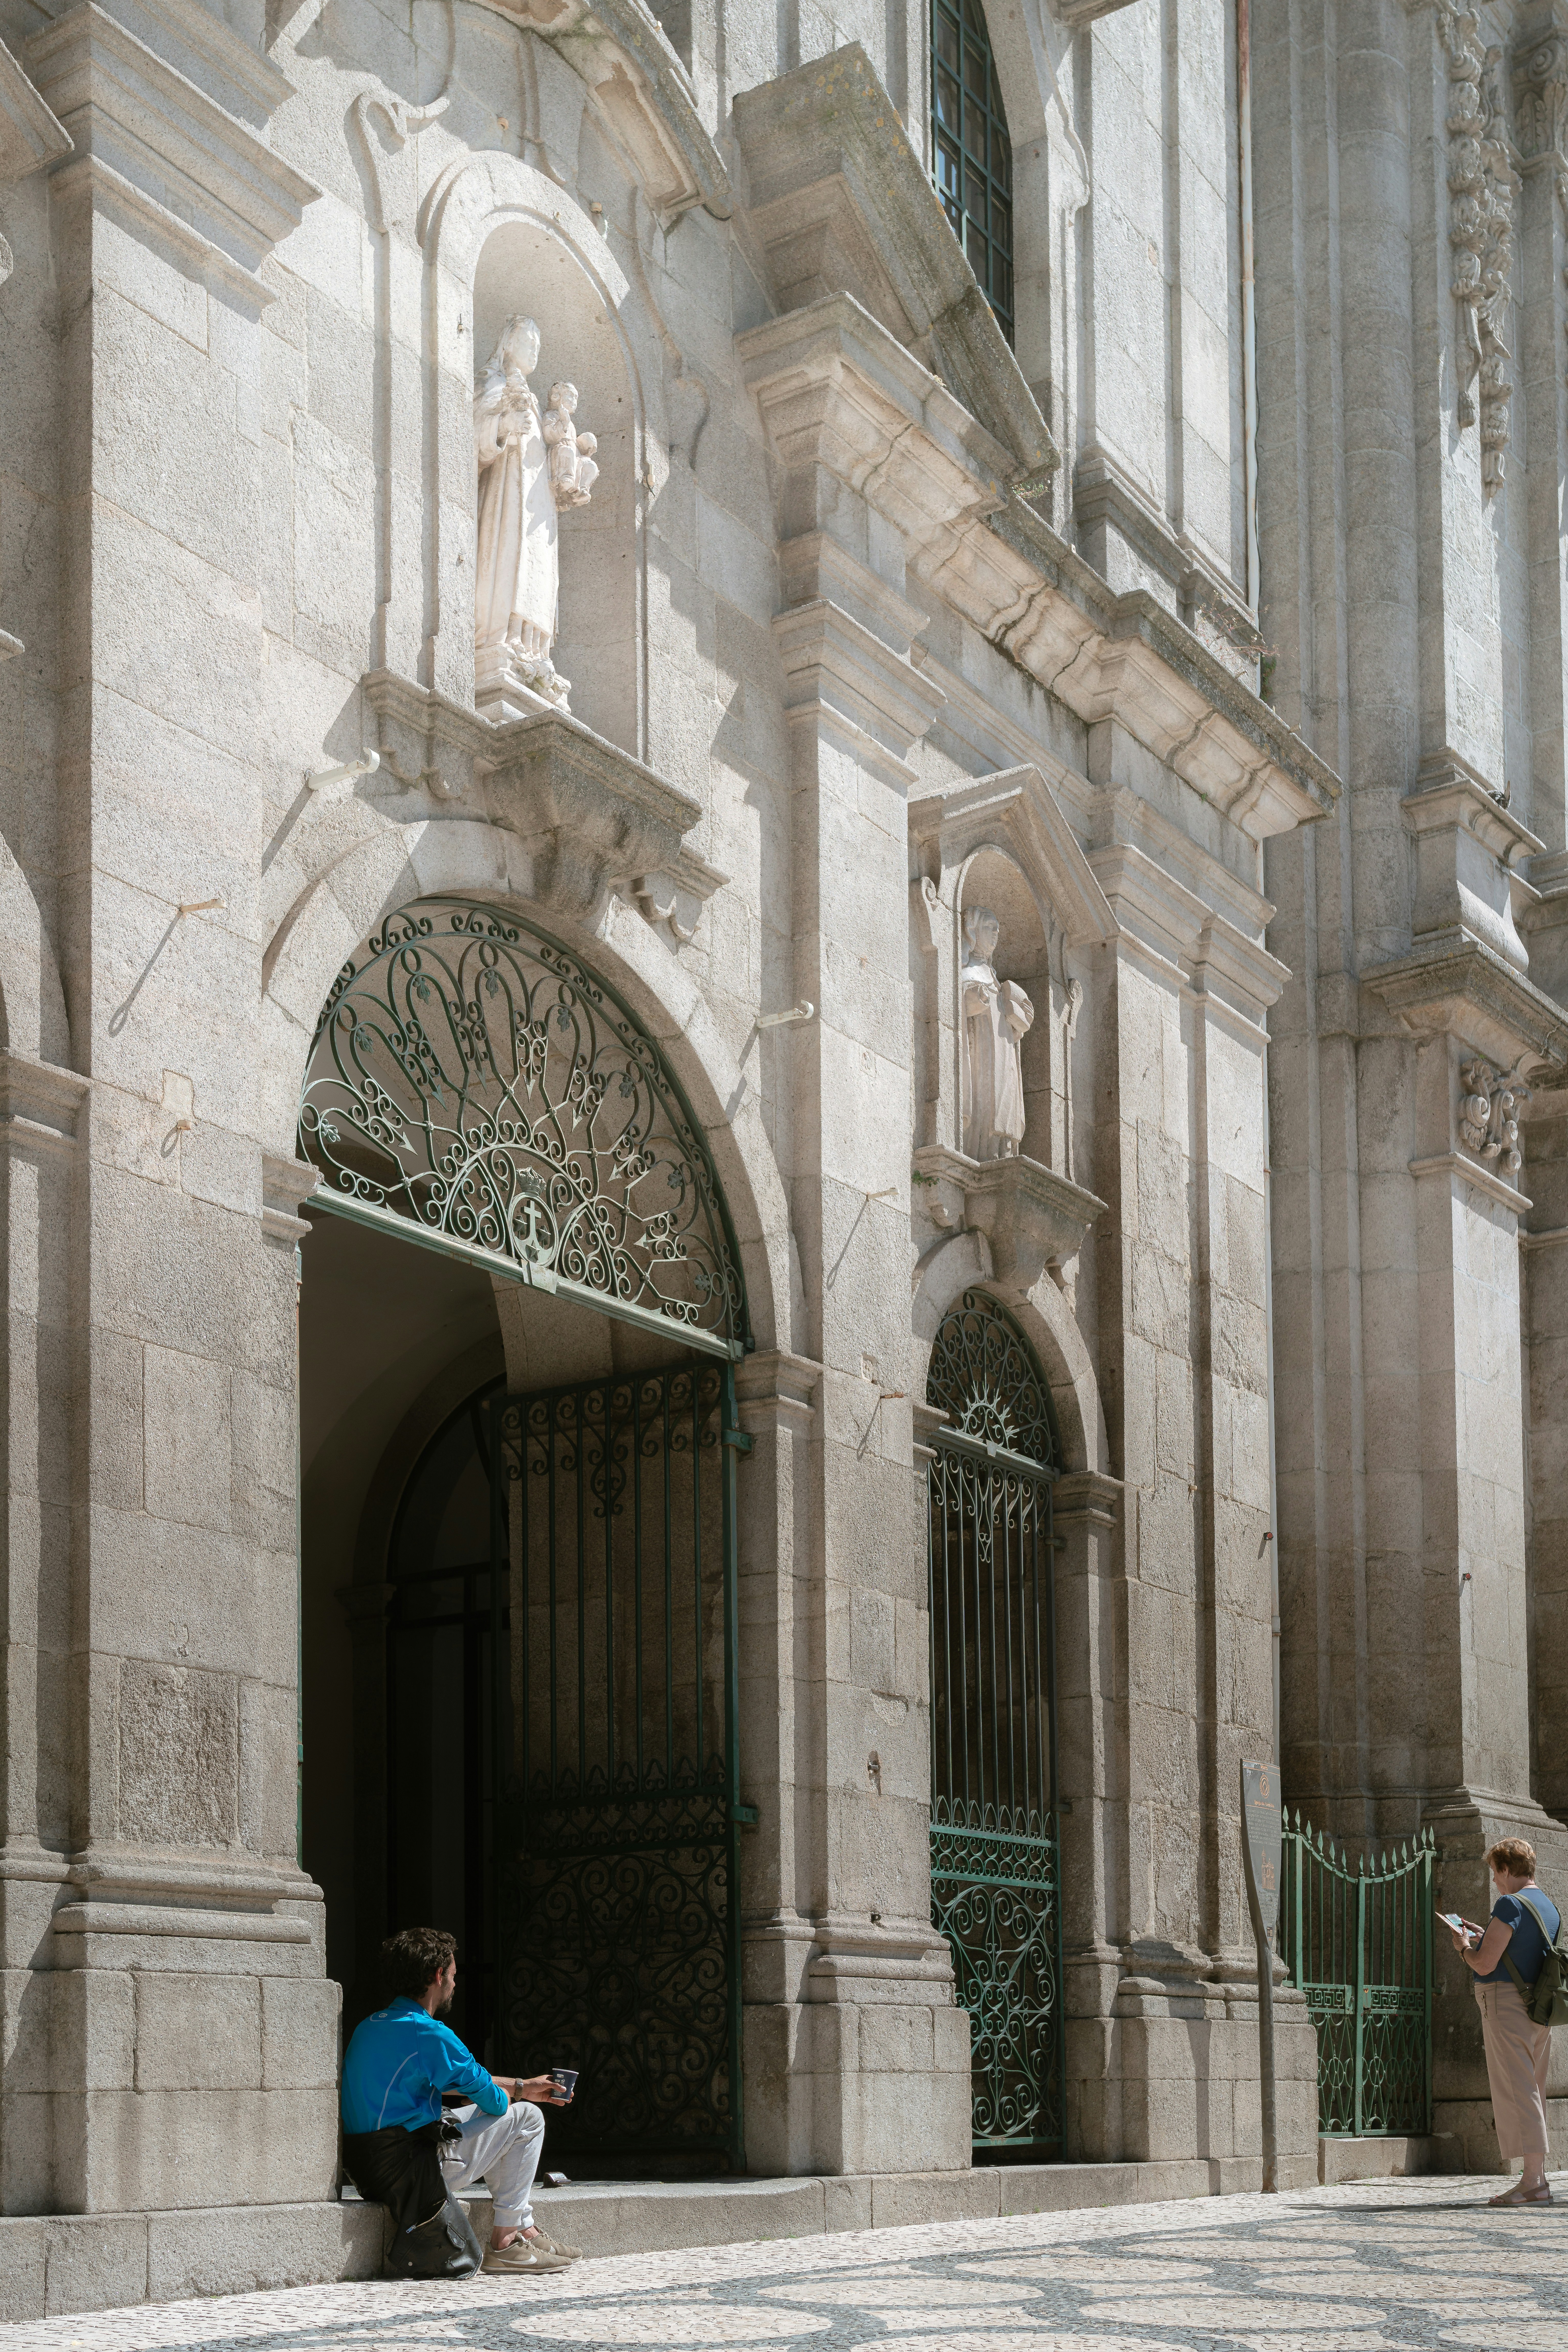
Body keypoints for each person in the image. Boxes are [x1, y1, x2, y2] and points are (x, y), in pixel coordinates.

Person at [341, 1926, 581, 2274]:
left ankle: (527, 2228)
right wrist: (517, 2093)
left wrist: (520, 2084)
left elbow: (453, 2076)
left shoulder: (372, 2025)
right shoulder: (430, 2033)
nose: (455, 1984)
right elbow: (496, 2104)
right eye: (453, 1975)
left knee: (489, 2107)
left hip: (370, 2172)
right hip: (413, 2174)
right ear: (438, 1976)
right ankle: (507, 2241)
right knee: (526, 2117)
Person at [1446, 1836, 1560, 2206]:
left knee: (1517, 2089)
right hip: (1537, 2008)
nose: (1495, 1881)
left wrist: (1464, 1947)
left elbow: (1484, 1963)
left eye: (1495, 1873)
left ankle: (1532, 2183)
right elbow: (1522, 1950)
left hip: (1506, 2003)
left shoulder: (1509, 1903)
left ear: (1506, 1869)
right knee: (1532, 2088)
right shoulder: (1547, 1905)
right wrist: (1486, 1936)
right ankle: (1537, 2177)